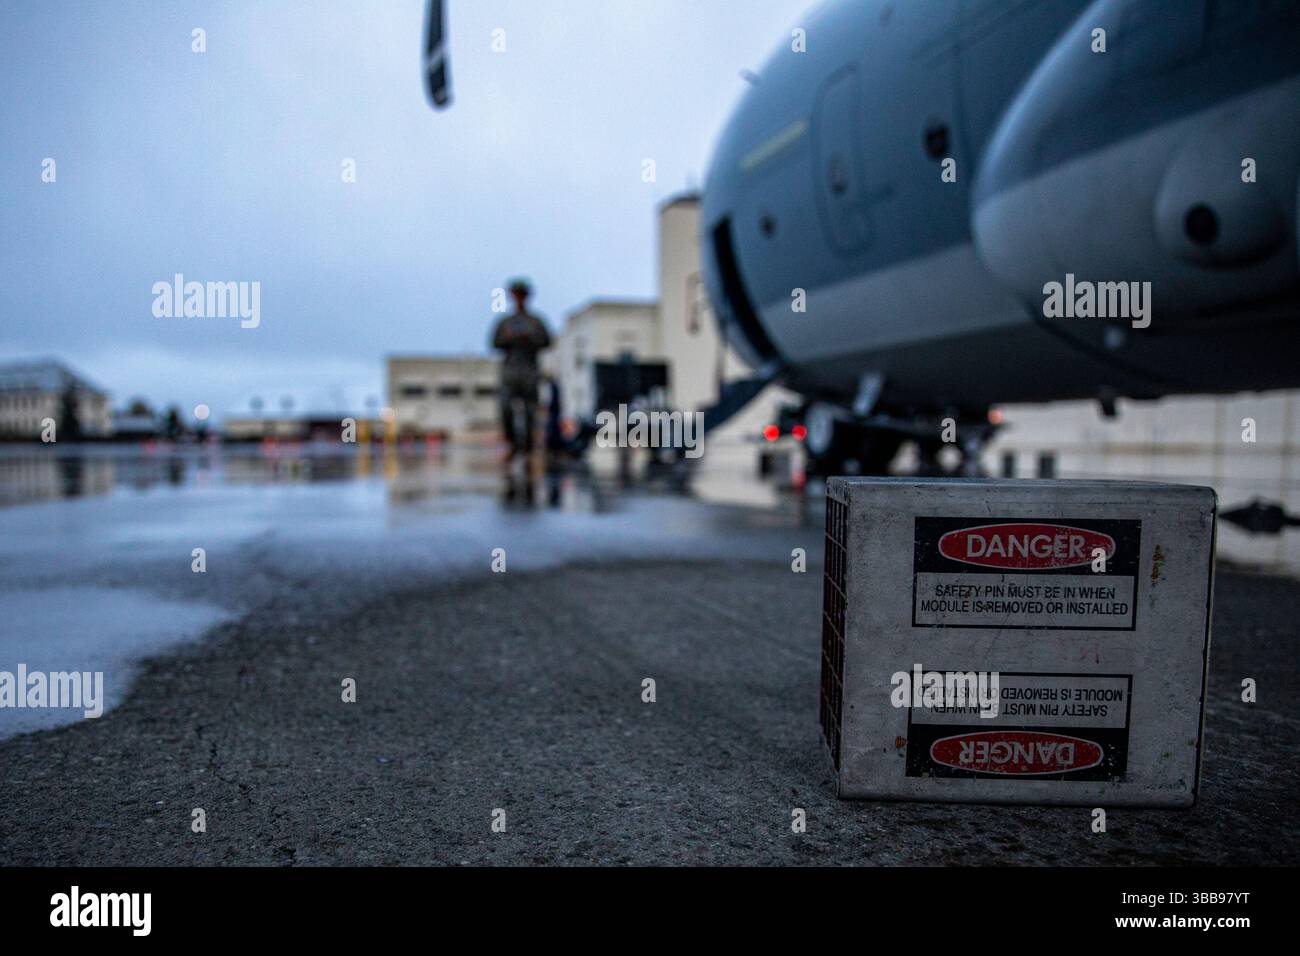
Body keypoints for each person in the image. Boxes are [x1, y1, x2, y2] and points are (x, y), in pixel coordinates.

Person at [490, 279, 552, 459]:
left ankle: (528, 447)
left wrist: (530, 338)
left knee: (531, 410)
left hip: (529, 370)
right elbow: (494, 343)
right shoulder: (505, 321)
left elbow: (547, 341)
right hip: (510, 370)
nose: (519, 298)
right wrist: (509, 338)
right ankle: (512, 444)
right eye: (516, 294)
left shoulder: (536, 321)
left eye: (522, 294)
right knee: (506, 408)